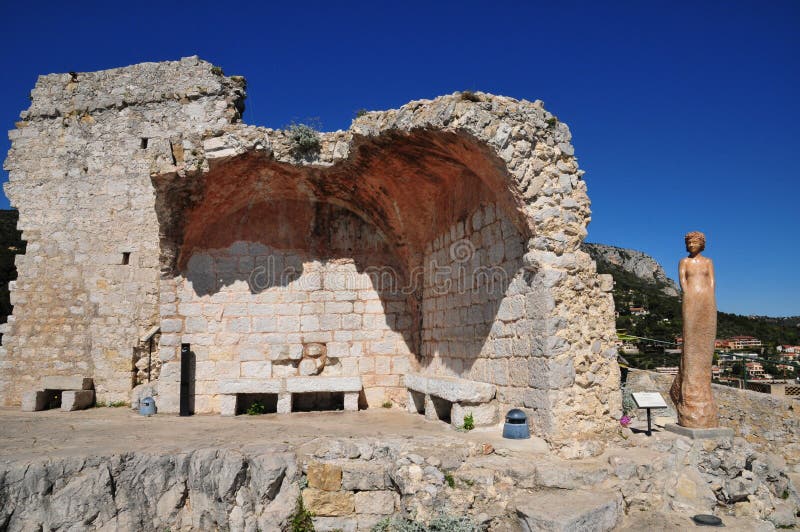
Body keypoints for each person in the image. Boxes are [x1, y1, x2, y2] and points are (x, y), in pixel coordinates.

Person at [670, 231, 718, 427]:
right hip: (691, 299)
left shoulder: (708, 262)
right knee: (690, 341)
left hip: (707, 299)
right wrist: (689, 295)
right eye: (689, 242)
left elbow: (712, 281)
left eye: (695, 241)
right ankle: (688, 398)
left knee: (706, 340)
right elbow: (683, 281)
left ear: (702, 244)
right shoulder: (684, 262)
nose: (692, 244)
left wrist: (708, 297)